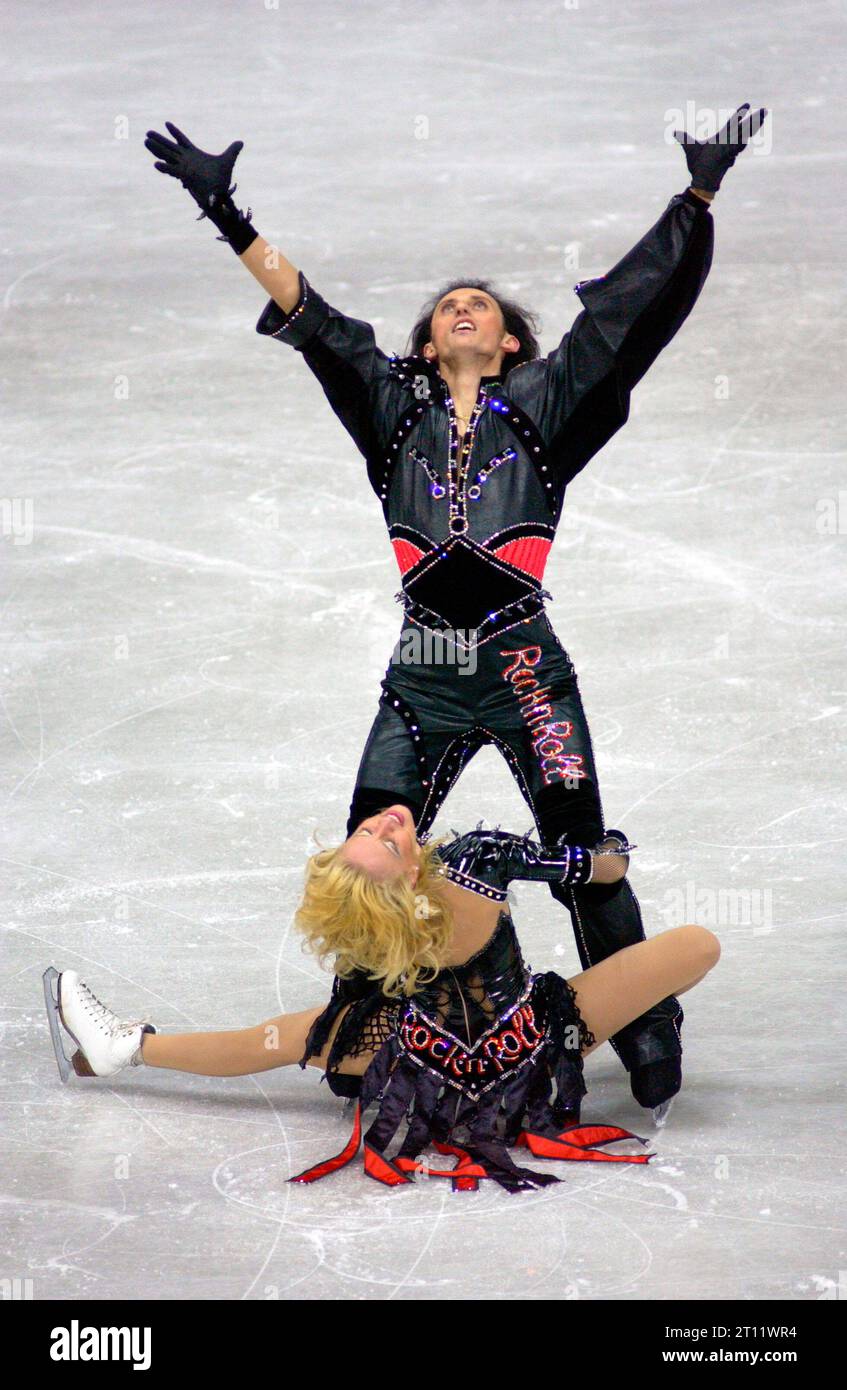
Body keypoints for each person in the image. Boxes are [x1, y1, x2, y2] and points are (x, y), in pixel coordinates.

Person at [142, 104, 764, 1117]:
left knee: (586, 857)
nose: (463, 309)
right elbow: (320, 323)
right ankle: (366, 1022)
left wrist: (694, 199)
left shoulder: (547, 407)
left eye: (483, 305)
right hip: (422, 678)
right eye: (448, 307)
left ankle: (648, 1027)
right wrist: (224, 209)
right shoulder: (393, 414)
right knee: (365, 857)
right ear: (429, 346)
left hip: (527, 672)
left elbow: (626, 320)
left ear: (514, 341)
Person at [44, 808, 720, 1194]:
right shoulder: (477, 859)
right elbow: (593, 871)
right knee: (694, 944)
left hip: (423, 1065)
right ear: (402, 877)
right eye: (387, 839)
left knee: (275, 1039)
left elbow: (354, 993)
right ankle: (650, 1025)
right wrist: (610, 857)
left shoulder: (377, 929)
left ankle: (125, 1047)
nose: (389, 821)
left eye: (369, 830)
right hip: (529, 1052)